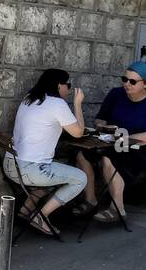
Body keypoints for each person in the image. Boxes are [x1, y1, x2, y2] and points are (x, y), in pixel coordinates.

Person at [71, 60, 146, 224]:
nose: (126, 84)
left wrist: (122, 139)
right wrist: (106, 128)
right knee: (82, 155)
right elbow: (100, 119)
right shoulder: (117, 94)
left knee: (109, 159)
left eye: (132, 81)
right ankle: (91, 200)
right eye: (125, 79)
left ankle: (117, 209)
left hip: (139, 146)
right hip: (110, 142)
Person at [6, 68, 88, 237]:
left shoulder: (28, 99)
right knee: (81, 178)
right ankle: (41, 216)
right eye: (68, 85)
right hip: (30, 170)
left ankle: (25, 210)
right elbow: (79, 132)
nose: (69, 89)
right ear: (59, 85)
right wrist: (78, 104)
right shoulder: (57, 104)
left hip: (11, 165)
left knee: (58, 170)